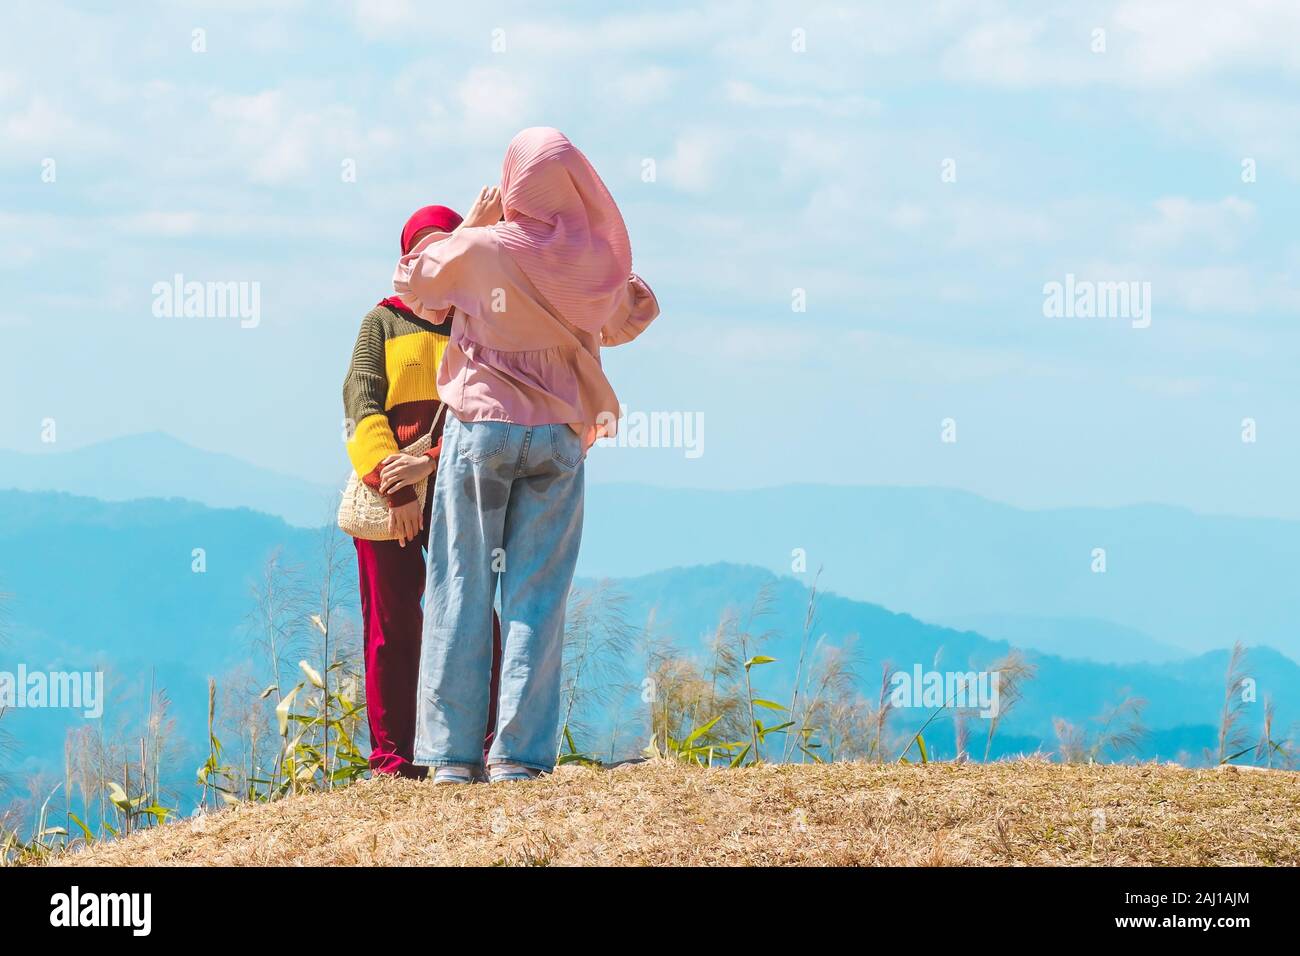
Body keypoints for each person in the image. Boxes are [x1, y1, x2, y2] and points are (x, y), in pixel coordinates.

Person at [393, 128, 660, 784]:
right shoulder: (591, 263)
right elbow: (631, 316)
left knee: (461, 584)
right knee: (537, 597)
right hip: (559, 437)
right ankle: (519, 760)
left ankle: (453, 759)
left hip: (481, 432)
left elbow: (414, 287)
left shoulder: (484, 249)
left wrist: (471, 228)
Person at [342, 204, 503, 779]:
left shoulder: (478, 323)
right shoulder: (380, 322)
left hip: (459, 488)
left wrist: (428, 468)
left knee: (472, 616)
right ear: (408, 259)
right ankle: (394, 757)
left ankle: (484, 745)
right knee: (391, 627)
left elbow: (488, 411)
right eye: (424, 249)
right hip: (389, 495)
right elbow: (361, 403)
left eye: (448, 248)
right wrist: (396, 486)